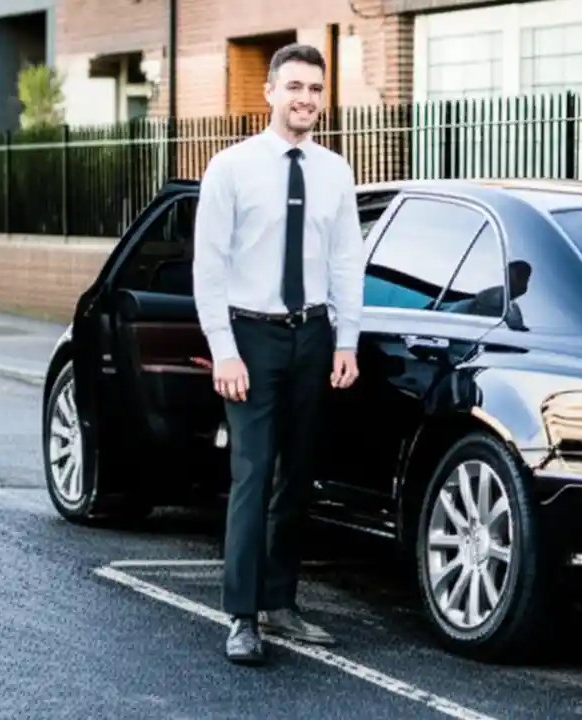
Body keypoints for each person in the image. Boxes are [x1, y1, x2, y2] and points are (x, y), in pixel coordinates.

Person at [191, 43, 364, 666]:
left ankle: (281, 601)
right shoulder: (231, 168)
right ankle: (242, 616)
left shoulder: (335, 172)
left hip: (312, 336)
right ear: (268, 92)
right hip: (252, 338)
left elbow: (347, 260)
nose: (306, 99)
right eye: (294, 87)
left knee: (296, 477)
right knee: (252, 474)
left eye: (316, 89)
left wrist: (346, 341)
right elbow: (208, 267)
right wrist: (225, 352)